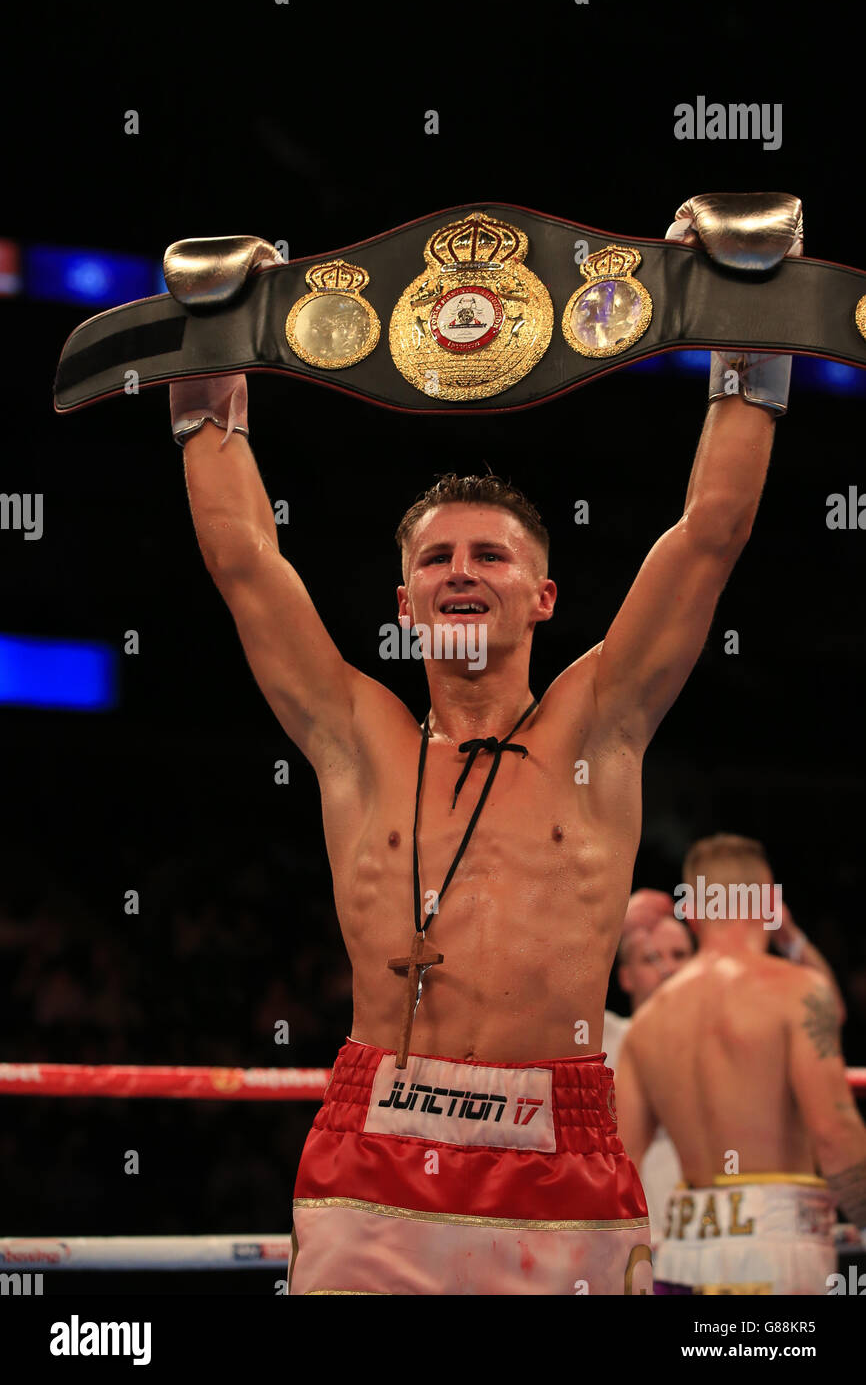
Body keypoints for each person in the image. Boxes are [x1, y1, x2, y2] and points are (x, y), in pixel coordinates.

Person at [170, 203, 801, 1295]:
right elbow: (244, 564)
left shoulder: (596, 720)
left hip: (556, 1137)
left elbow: (709, 534)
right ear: (407, 602)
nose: (462, 571)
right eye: (439, 558)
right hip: (374, 1137)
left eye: (492, 557)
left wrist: (747, 316)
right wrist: (208, 361)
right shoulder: (354, 739)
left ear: (542, 595)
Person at [615, 833, 863, 1295]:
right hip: (779, 1245)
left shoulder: (648, 1022)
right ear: (770, 903)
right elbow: (835, 1132)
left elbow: (622, 1165)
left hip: (682, 1253)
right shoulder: (797, 991)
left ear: (690, 911)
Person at [603, 890, 694, 1244]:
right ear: (625, 977)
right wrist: (614, 926)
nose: (668, 968)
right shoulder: (605, 1038)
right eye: (651, 958)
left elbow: (825, 1017)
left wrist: (790, 938)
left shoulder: (725, 1041)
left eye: (679, 955)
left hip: (710, 1243)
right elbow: (549, 990)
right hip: (634, 1240)